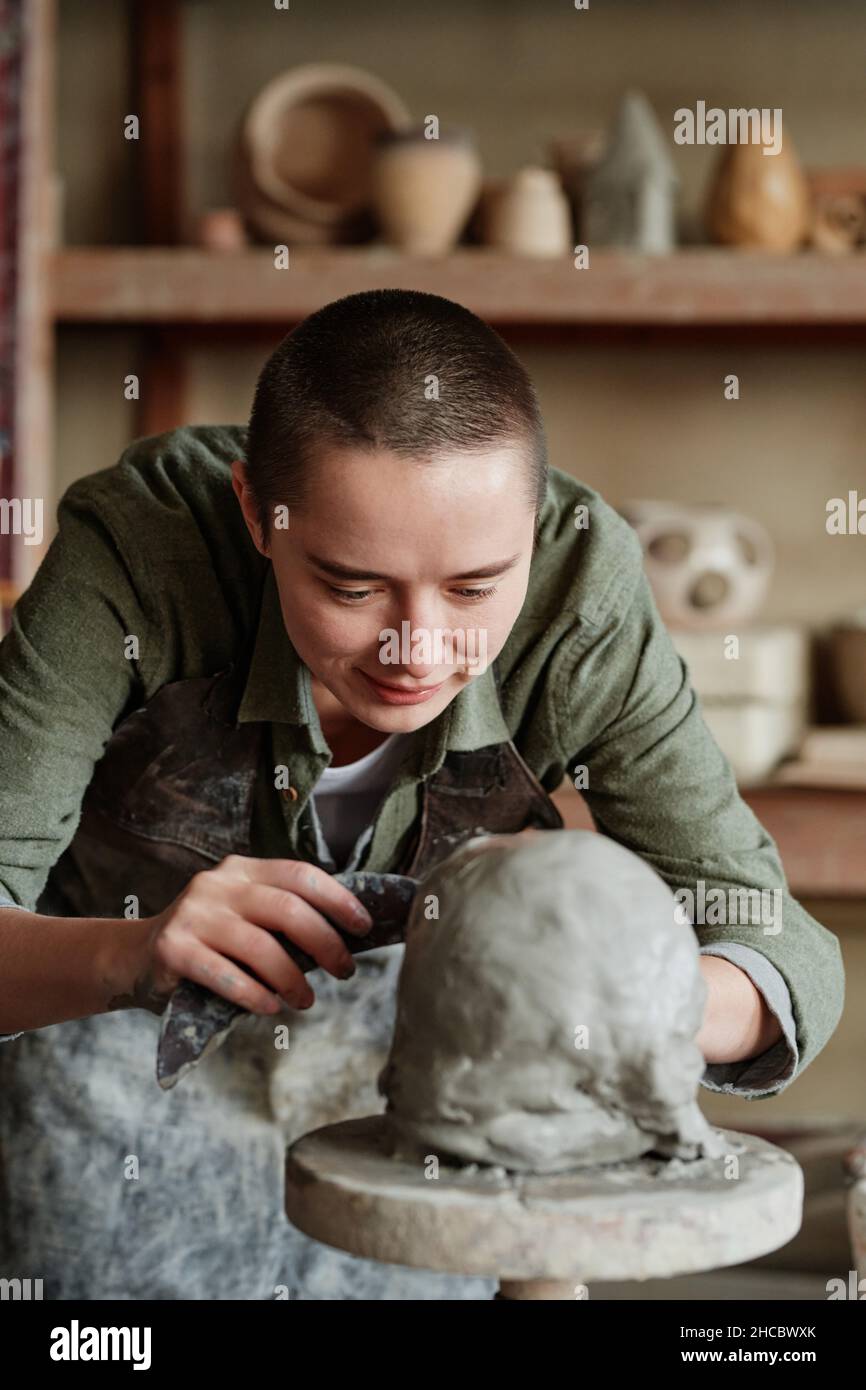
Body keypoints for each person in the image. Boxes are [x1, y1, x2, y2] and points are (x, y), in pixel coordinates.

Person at [0, 289, 844, 1300]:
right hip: (118, 1127)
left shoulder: (581, 590)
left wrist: (630, 998)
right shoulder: (139, 551)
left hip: (414, 1137)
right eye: (353, 588)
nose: (417, 651)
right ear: (252, 513)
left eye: (474, 587)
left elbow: (775, 941)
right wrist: (126, 950)